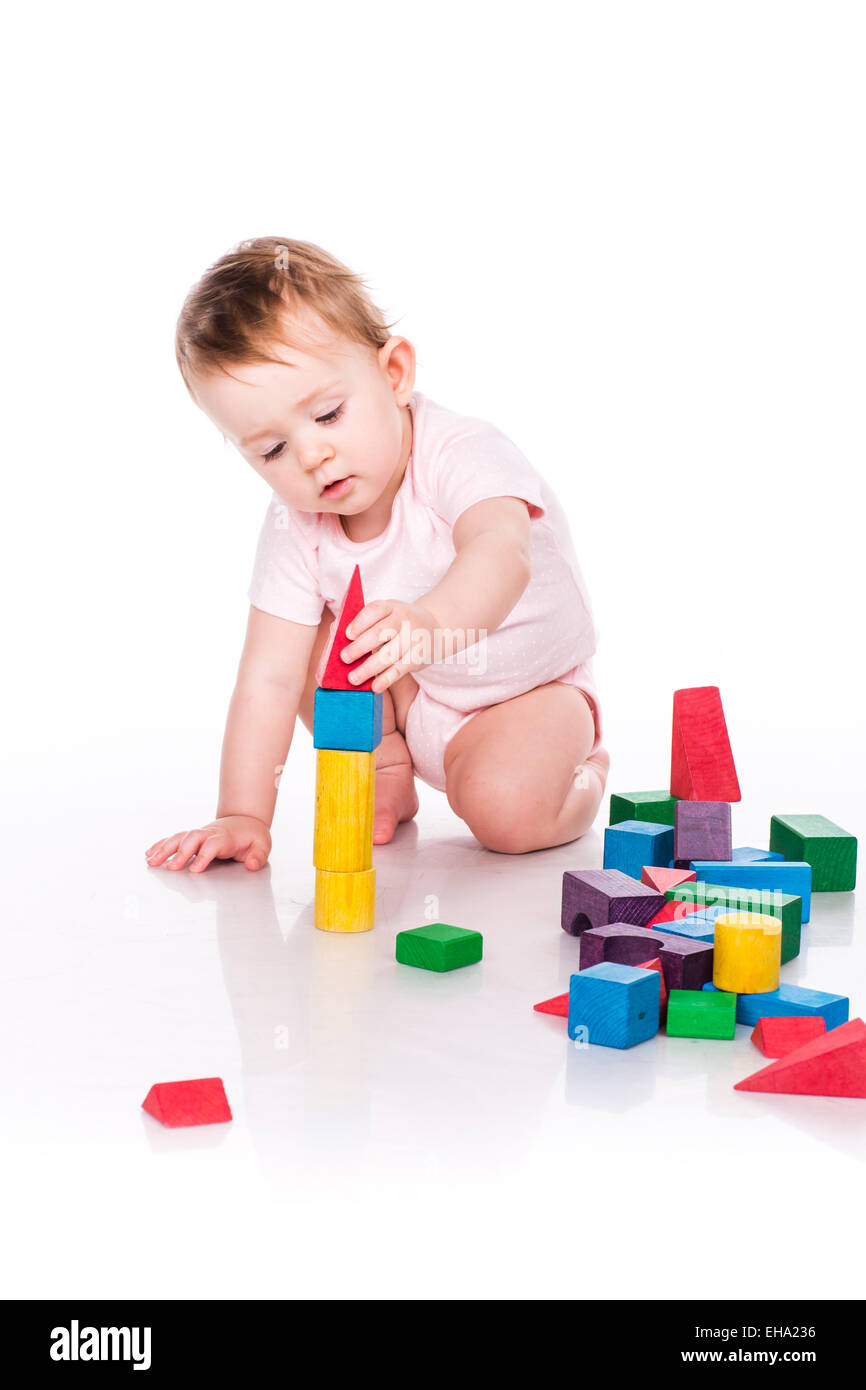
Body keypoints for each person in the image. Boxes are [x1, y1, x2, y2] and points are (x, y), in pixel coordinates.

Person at [146, 237, 609, 873]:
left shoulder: (461, 452)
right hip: (412, 697)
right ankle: (386, 765)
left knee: (507, 810)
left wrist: (431, 623)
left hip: (527, 692)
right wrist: (242, 815)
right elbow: (269, 677)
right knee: (301, 644)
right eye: (272, 450)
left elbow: (501, 552)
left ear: (394, 375)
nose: (311, 456)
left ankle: (583, 772)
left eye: (328, 414)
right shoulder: (295, 522)